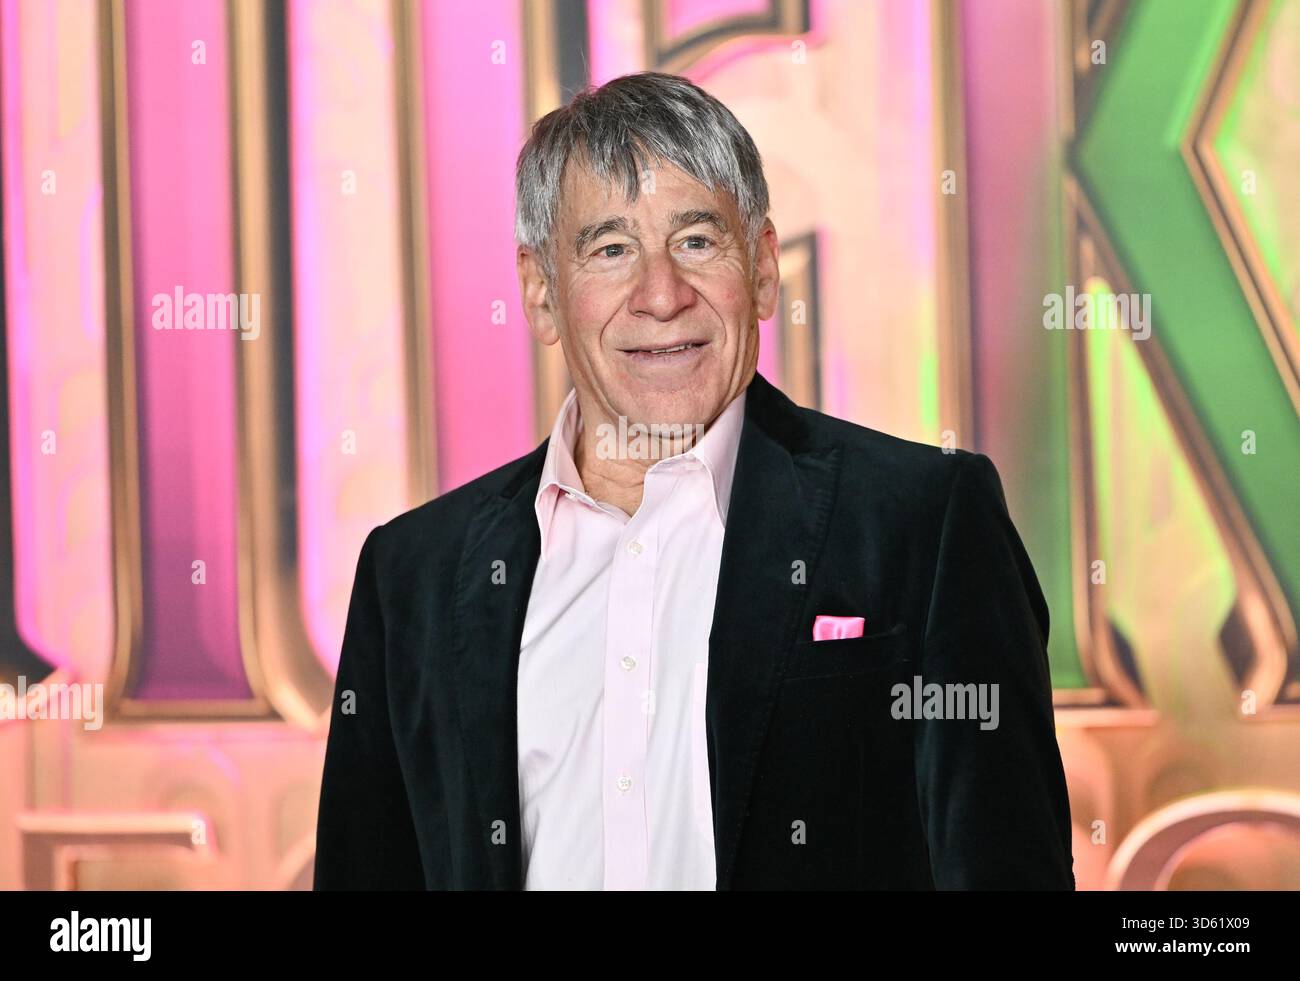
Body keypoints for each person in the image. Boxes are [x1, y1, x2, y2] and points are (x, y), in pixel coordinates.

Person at [314, 71, 1074, 890]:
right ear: (540, 294)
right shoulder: (413, 578)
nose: (662, 294)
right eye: (610, 249)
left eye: (697, 240)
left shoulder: (923, 524)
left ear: (763, 269)